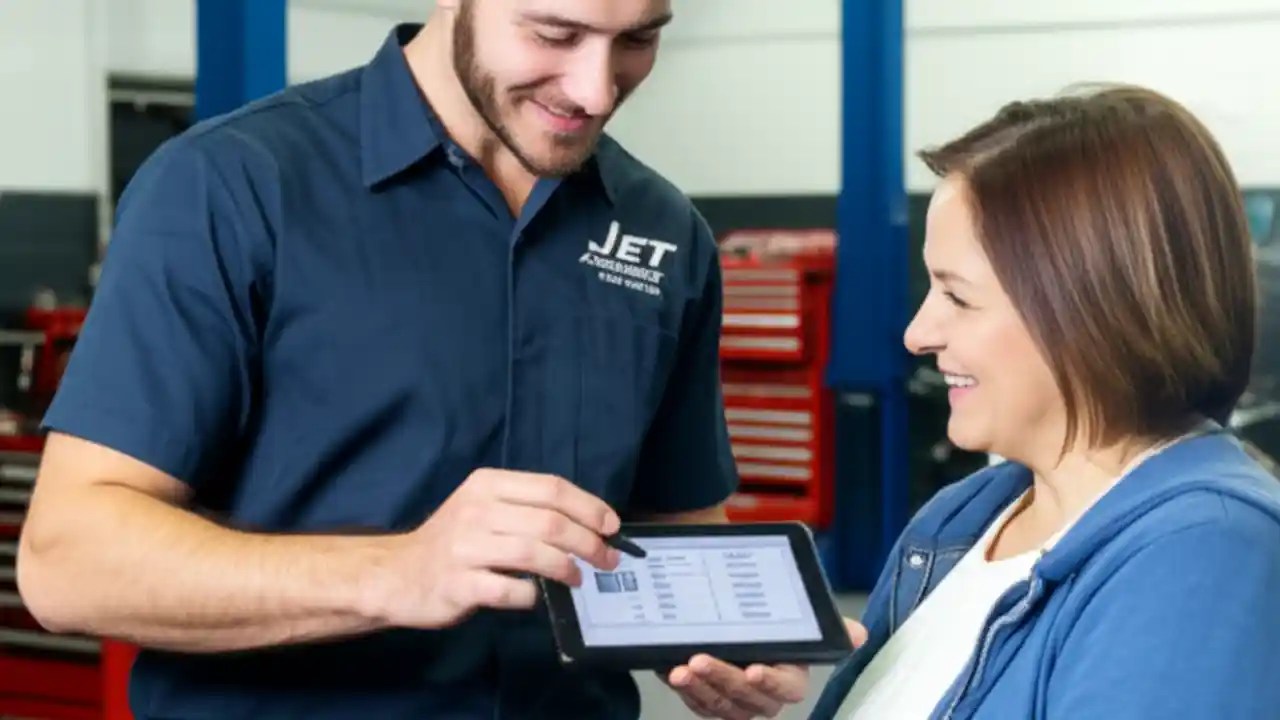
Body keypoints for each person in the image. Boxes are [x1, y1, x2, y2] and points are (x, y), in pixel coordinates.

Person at [14, 2, 827, 718]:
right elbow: (69, 564)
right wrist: (396, 572)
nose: (596, 90)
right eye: (556, 33)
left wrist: (734, 640)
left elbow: (675, 524)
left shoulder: (663, 230)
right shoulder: (231, 187)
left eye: (638, 41)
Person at [802, 85, 1280, 718]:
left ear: (1095, 312)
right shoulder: (964, 518)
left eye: (960, 298)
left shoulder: (1204, 556)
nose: (918, 334)